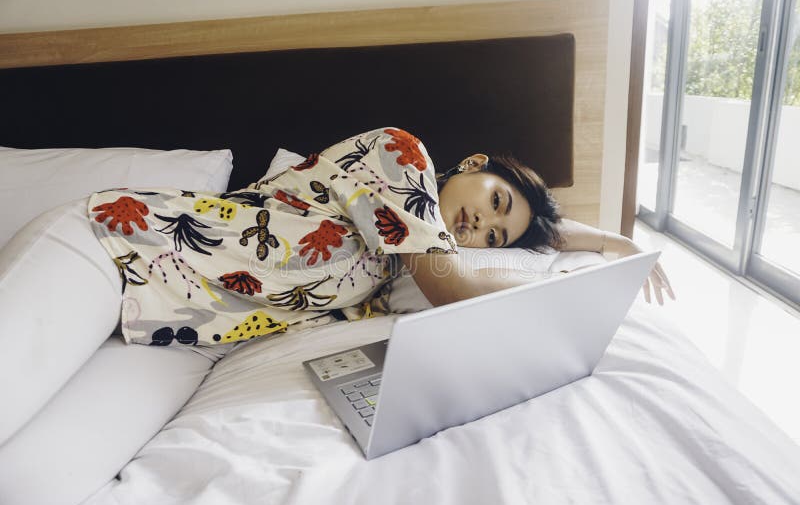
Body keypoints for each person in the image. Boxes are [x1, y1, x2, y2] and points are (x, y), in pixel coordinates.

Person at [88, 127, 674, 348]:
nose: (481, 225)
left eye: (494, 237)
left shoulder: (408, 254)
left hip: (154, 311)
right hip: (116, 244)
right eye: (493, 200)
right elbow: (453, 288)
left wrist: (614, 243)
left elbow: (535, 233)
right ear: (471, 162)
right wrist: (579, 303)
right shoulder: (402, 156)